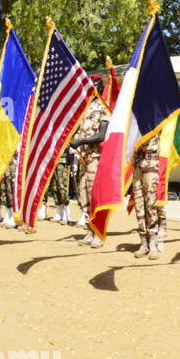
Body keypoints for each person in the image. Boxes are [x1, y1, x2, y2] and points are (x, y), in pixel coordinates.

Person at [70, 74, 111, 246]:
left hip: (95, 157)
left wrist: (82, 141)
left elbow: (101, 135)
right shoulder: (85, 108)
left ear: (100, 87)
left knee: (95, 195)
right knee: (83, 193)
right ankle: (88, 230)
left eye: (95, 85)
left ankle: (98, 233)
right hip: (83, 157)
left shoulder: (103, 107)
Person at [131, 136, 165, 259]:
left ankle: (153, 242)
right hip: (137, 164)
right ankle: (143, 242)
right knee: (139, 205)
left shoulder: (155, 118)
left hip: (151, 163)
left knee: (151, 204)